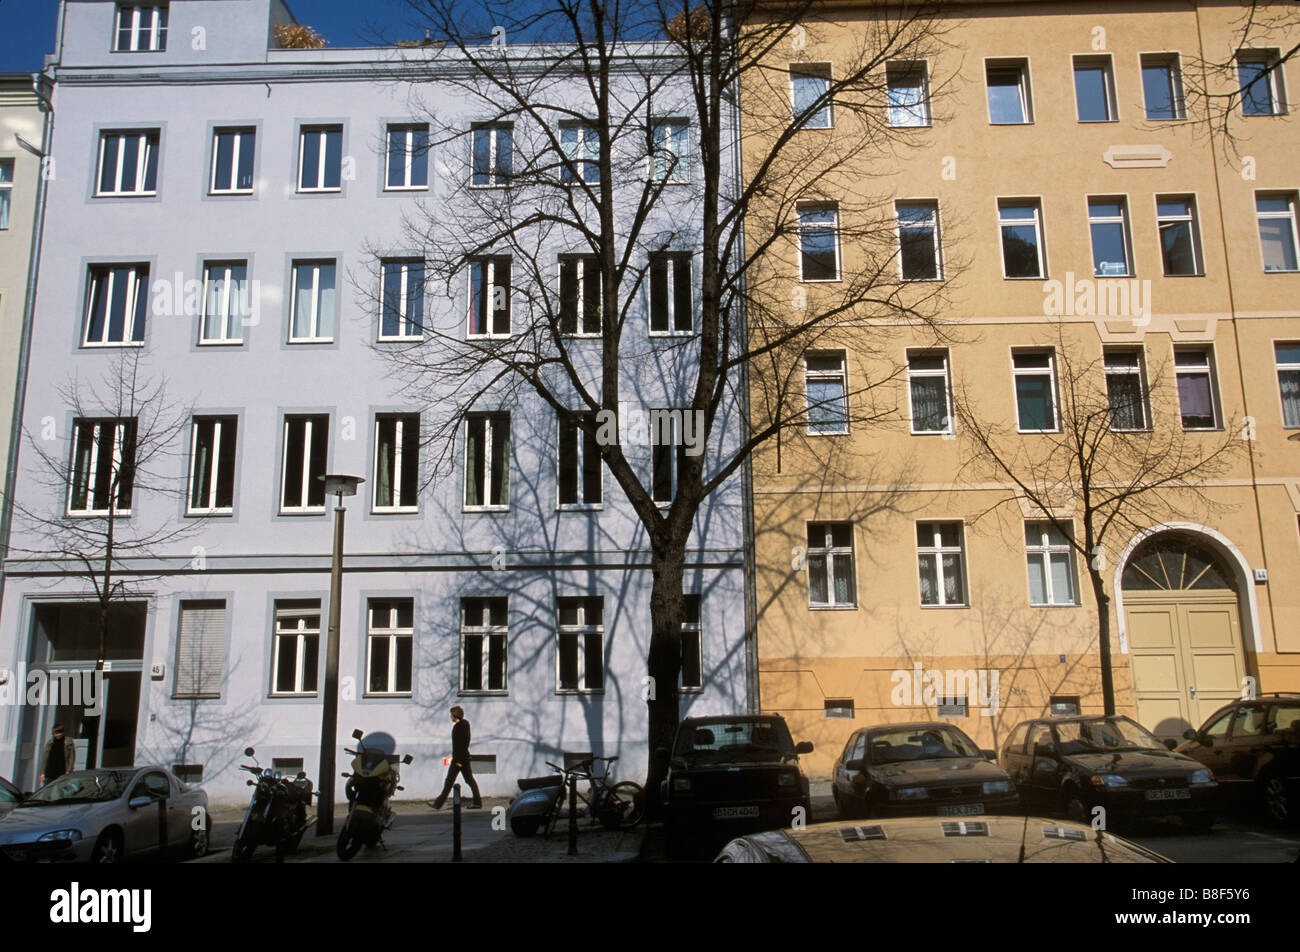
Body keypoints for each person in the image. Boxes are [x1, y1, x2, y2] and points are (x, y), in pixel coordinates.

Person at [431, 706, 482, 809]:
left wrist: (459, 761)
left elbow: (460, 744)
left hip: (459, 759)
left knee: (450, 781)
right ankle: (477, 802)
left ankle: (438, 804)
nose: (450, 717)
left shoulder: (459, 727)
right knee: (469, 780)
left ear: (455, 715)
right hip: (463, 758)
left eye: (451, 715)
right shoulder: (465, 725)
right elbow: (464, 743)